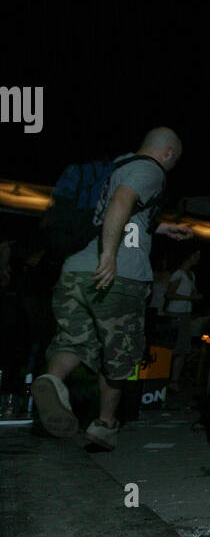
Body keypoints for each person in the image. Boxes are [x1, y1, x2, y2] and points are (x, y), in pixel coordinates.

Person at [32, 127, 191, 449]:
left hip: (75, 271)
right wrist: (109, 256)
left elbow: (117, 211)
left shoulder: (117, 167)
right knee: (118, 354)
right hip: (118, 277)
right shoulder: (151, 169)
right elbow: (123, 200)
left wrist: (160, 227)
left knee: (74, 341)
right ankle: (104, 425)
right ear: (168, 153)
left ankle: (52, 380)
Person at [164, 246, 203, 389]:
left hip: (186, 313)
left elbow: (192, 293)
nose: (198, 258)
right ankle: (163, 378)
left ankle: (174, 381)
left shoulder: (192, 275)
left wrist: (195, 297)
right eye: (196, 255)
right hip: (175, 313)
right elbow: (169, 294)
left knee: (183, 347)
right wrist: (189, 298)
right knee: (171, 347)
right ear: (189, 256)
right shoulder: (179, 274)